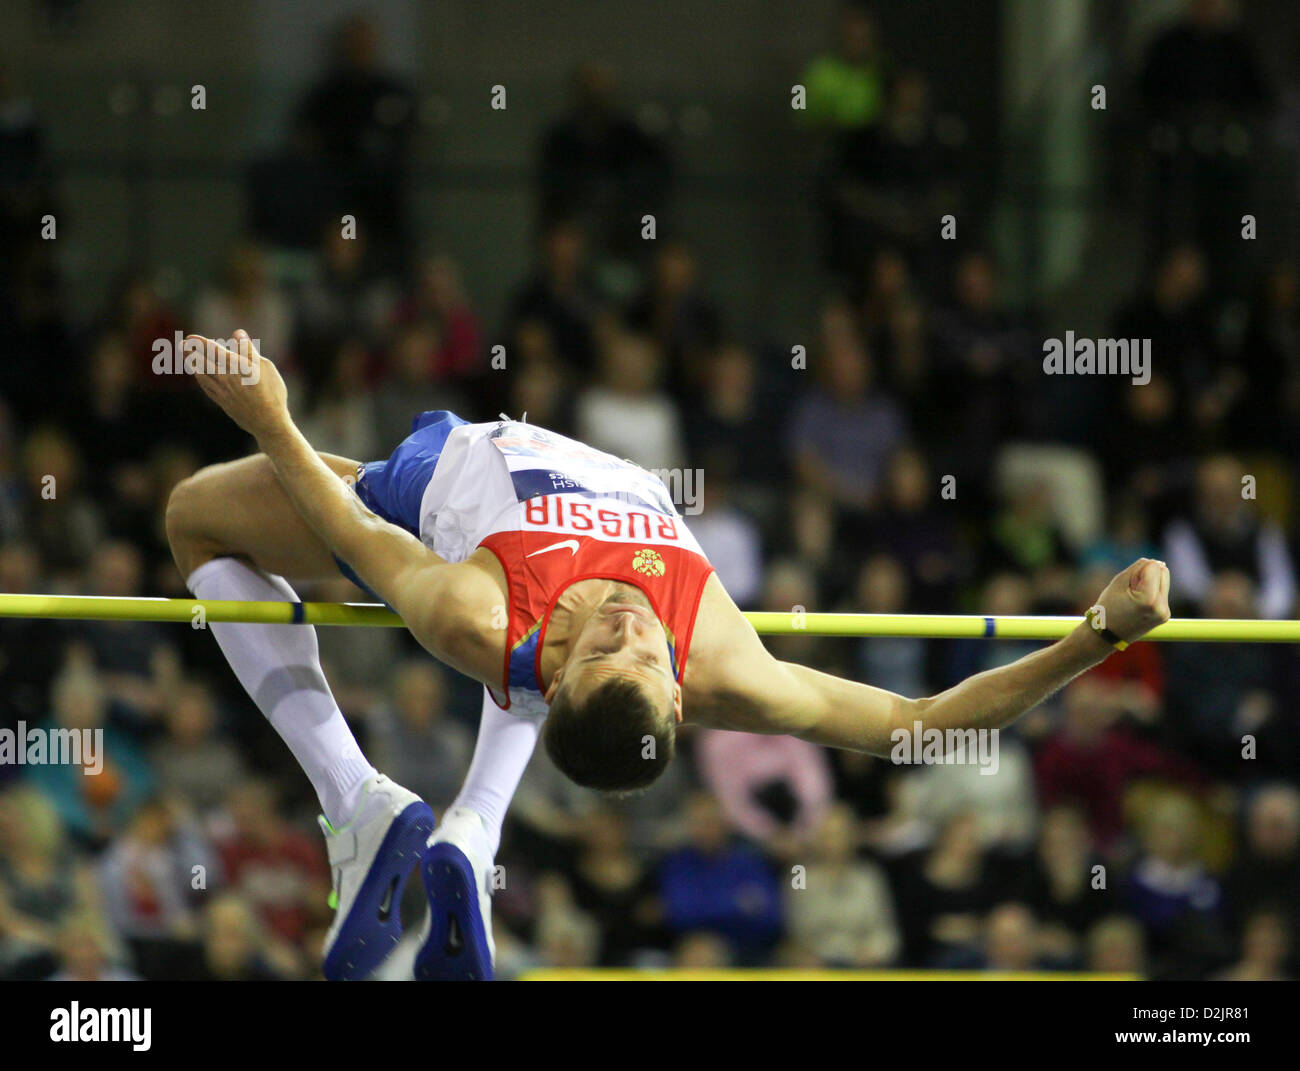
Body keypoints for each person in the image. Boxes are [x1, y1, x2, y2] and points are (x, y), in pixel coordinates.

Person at [165, 331, 1173, 981]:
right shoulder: (721, 657)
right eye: (645, 657)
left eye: (609, 647)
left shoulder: (476, 614)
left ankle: (359, 798)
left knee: (195, 520)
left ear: (559, 673)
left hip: (437, 484)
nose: (632, 625)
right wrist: (1093, 636)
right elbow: (921, 728)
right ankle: (470, 829)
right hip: (556, 483)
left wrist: (272, 418)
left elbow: (350, 533)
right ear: (679, 700)